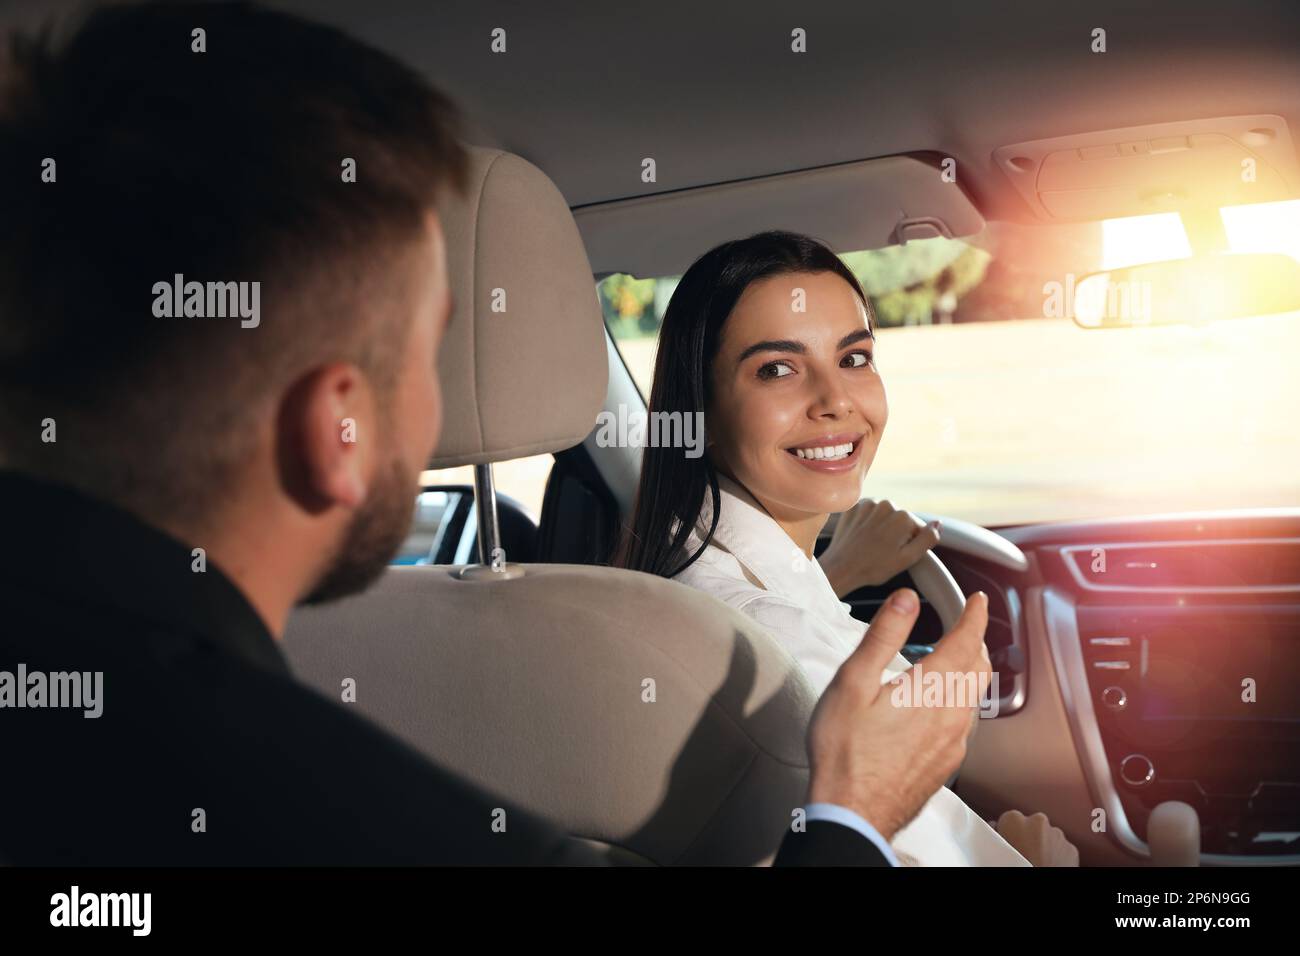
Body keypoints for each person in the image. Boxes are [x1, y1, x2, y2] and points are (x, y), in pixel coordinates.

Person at [0, 1, 988, 866]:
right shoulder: (338, 808)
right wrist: (852, 817)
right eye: (432, 352)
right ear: (334, 429)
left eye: (855, 354)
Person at [616, 231, 1079, 866]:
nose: (835, 401)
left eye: (854, 358)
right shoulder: (783, 649)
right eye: (777, 369)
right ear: (702, 414)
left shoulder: (685, 574)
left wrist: (835, 576)